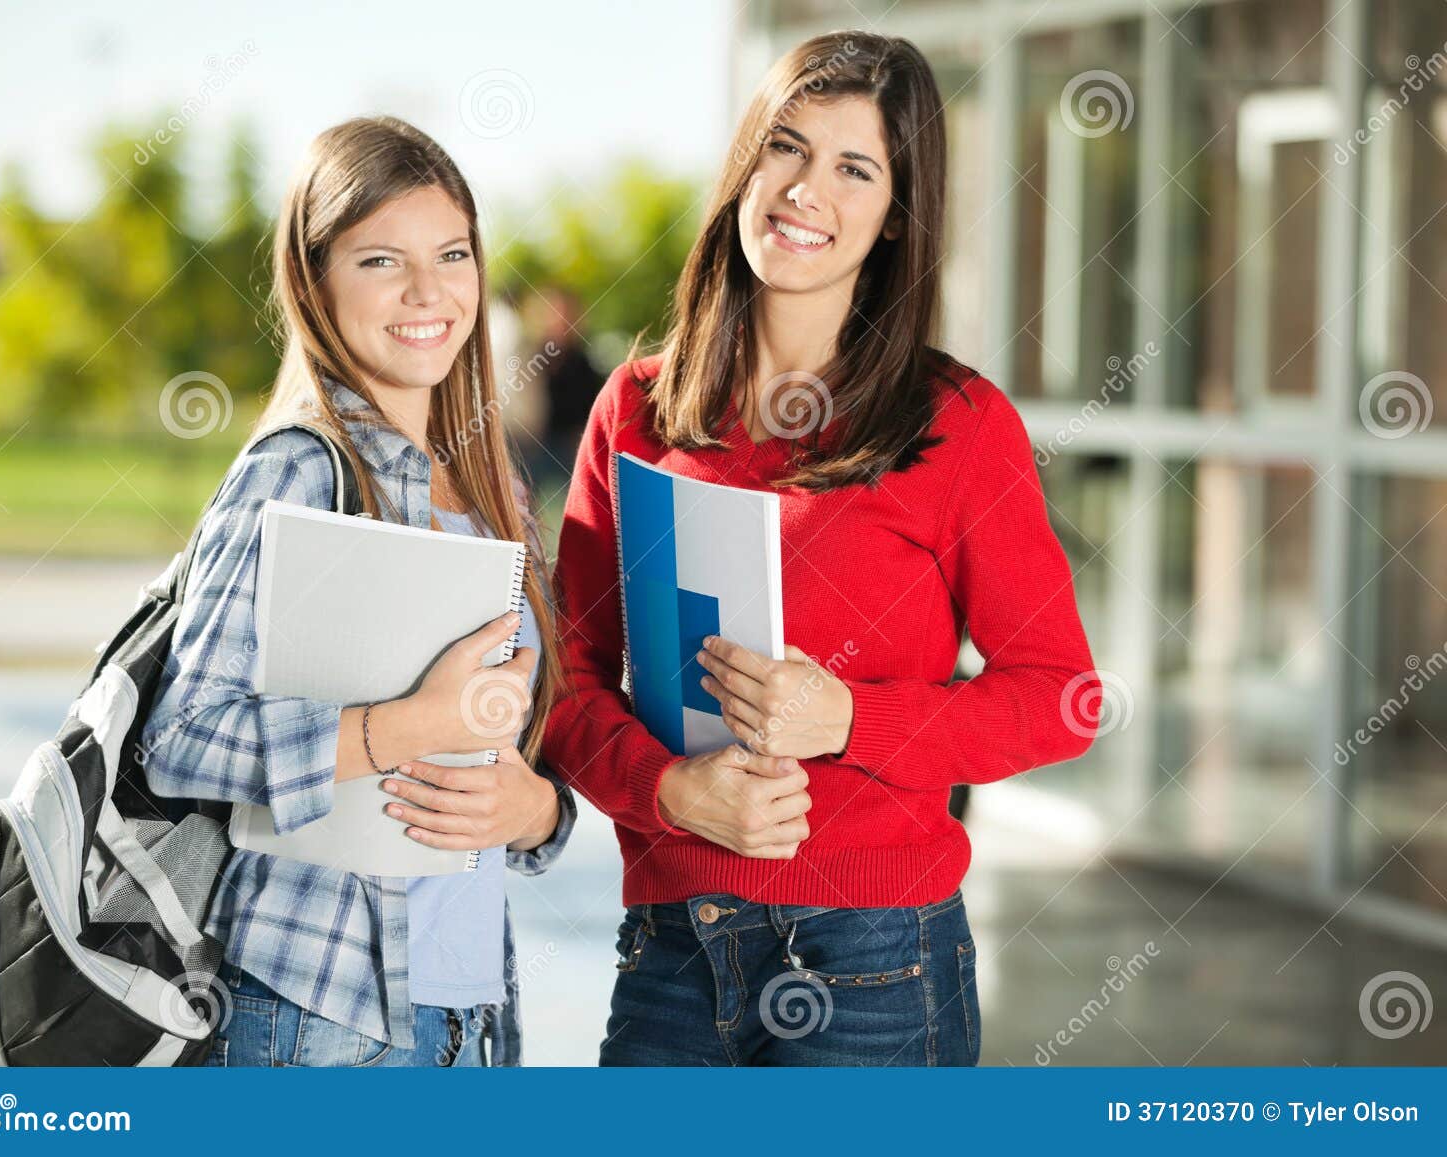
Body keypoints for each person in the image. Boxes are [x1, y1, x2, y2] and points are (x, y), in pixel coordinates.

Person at [542, 31, 1103, 1066]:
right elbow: (566, 675)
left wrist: (850, 715)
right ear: (744, 166)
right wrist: (667, 789)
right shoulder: (637, 408)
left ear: (895, 217)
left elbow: (1060, 696)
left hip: (874, 967)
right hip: (671, 956)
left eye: (856, 168)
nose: (806, 189)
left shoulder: (956, 423)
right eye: (786, 147)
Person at [141, 115, 574, 1067]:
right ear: (315, 280)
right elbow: (182, 736)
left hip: (469, 1012)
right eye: (381, 260)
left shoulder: (494, 491)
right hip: (321, 1014)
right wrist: (410, 724)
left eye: (452, 253)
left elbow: (522, 756)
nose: (429, 292)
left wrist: (538, 813)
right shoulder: (298, 468)